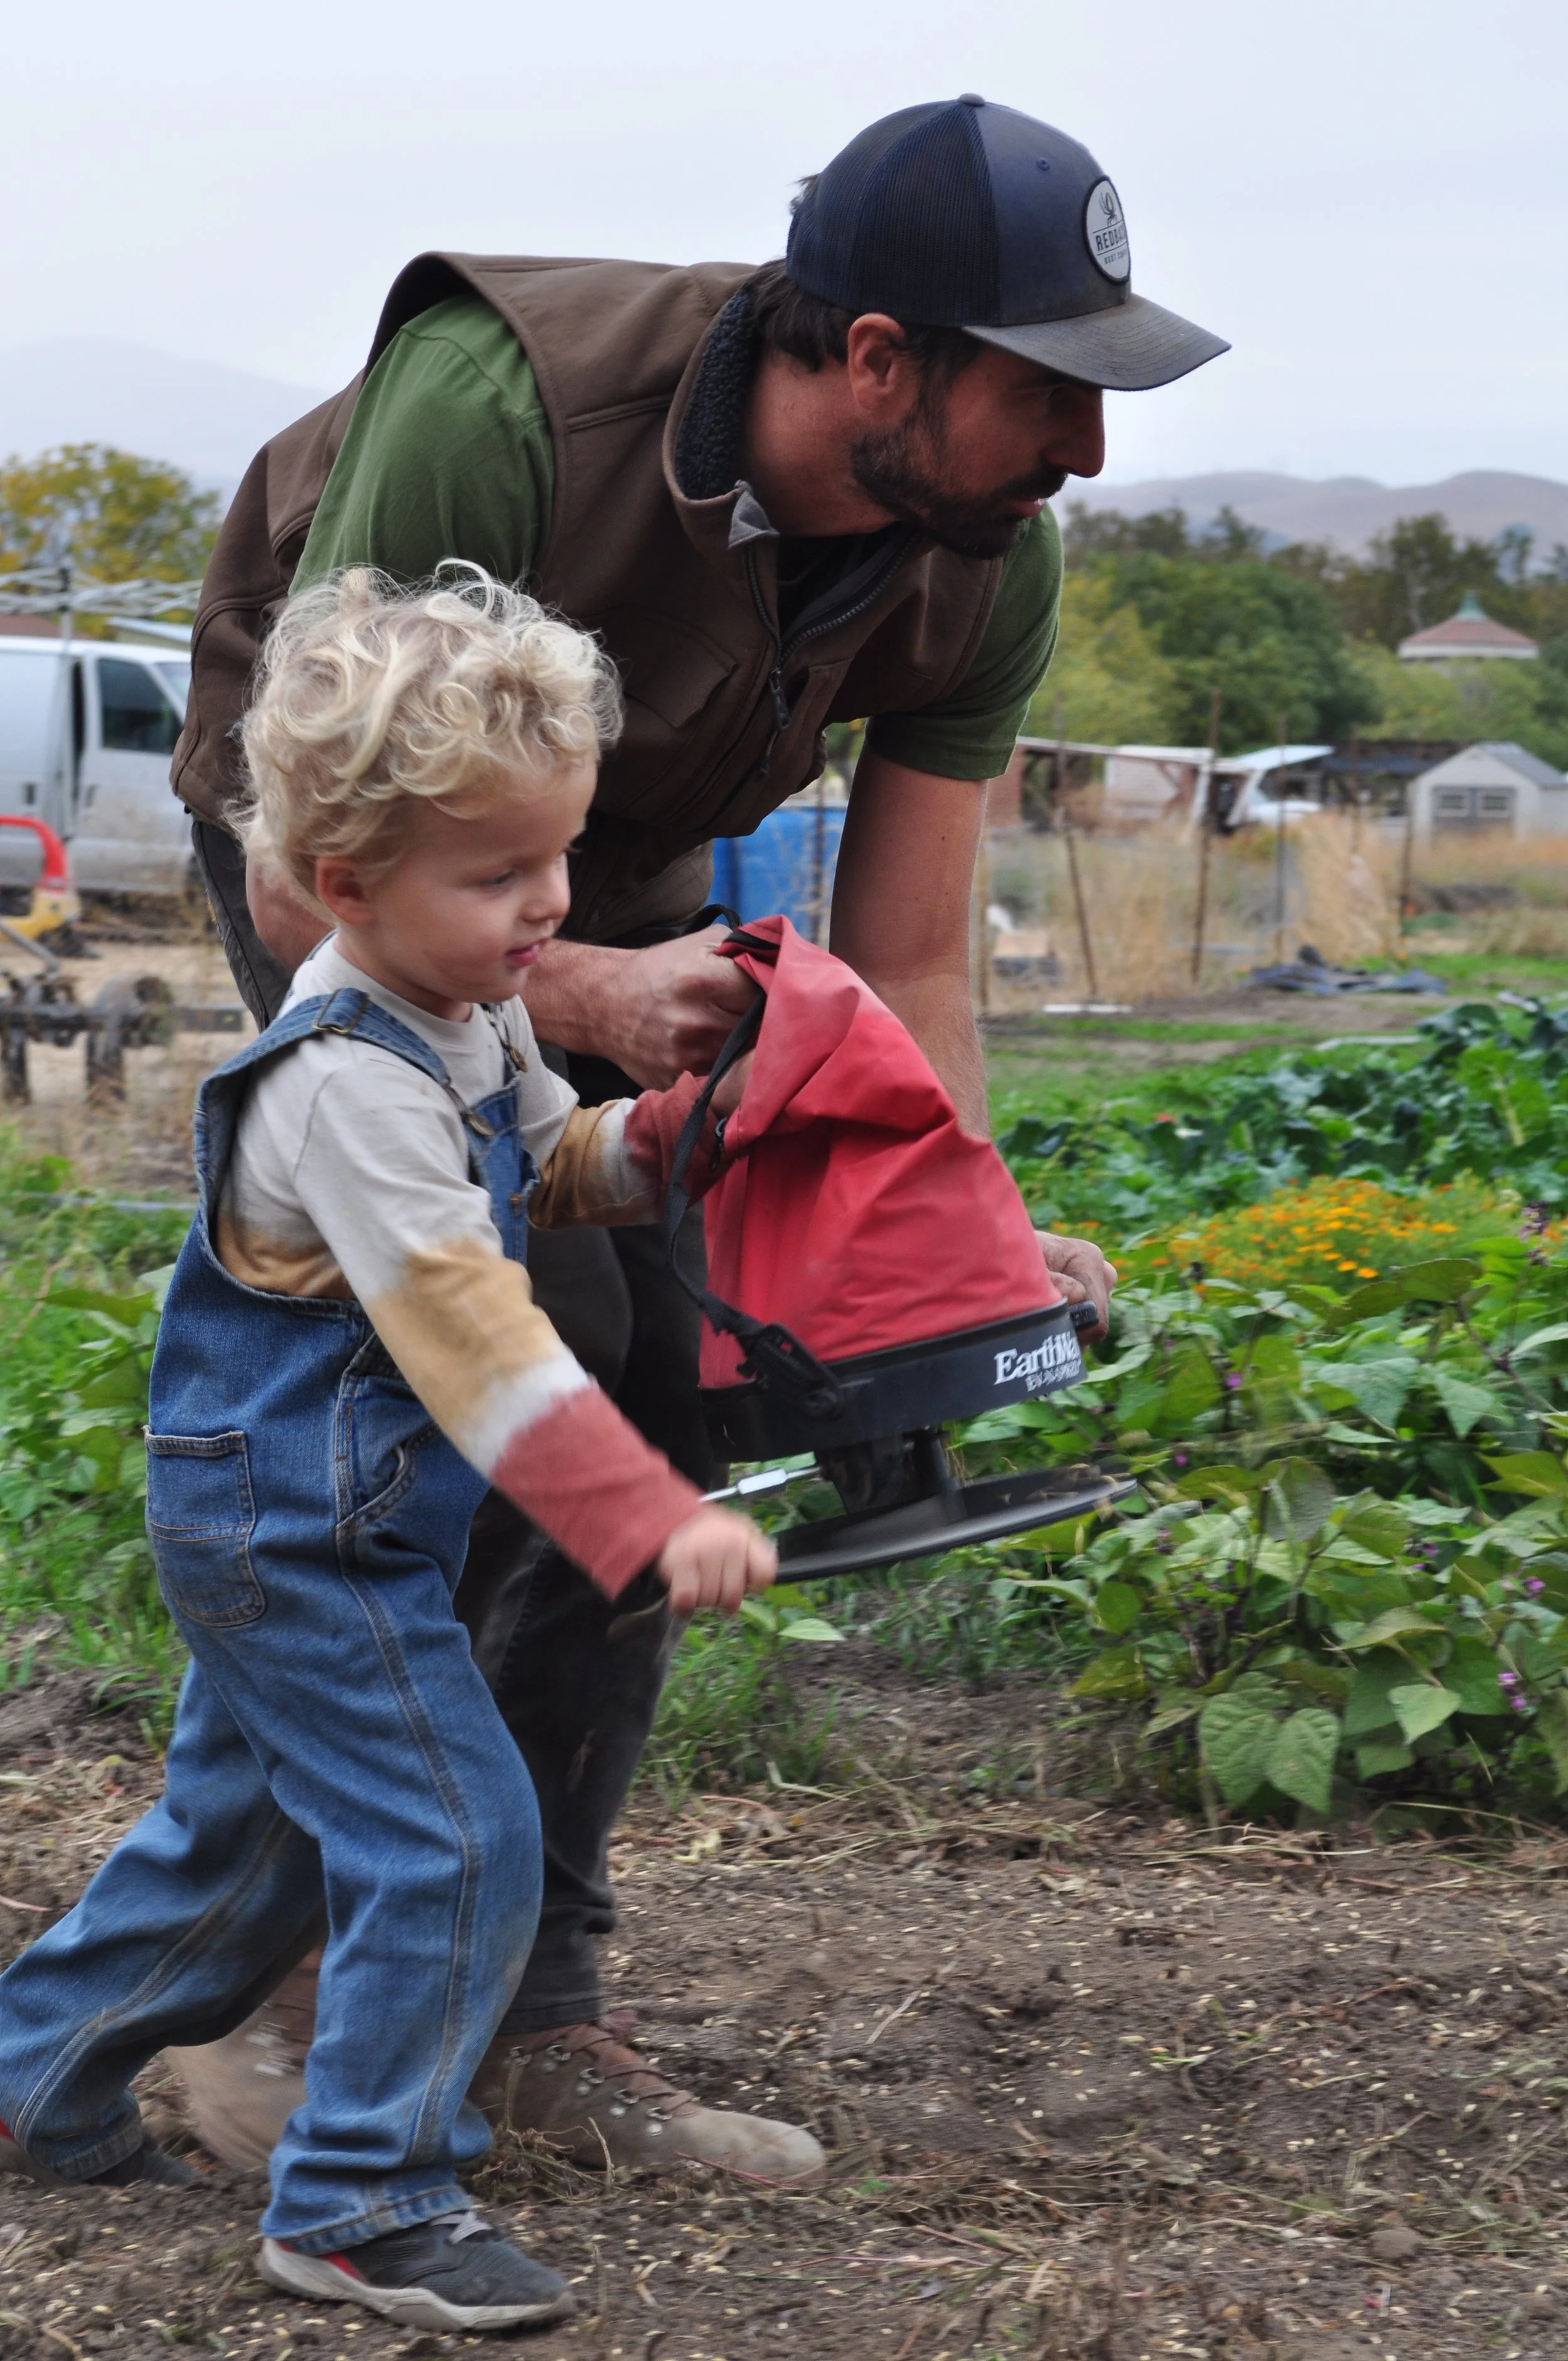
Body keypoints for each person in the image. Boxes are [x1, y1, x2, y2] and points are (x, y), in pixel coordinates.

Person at [168, 96, 1227, 2180]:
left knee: (670, 1378)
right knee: (482, 1373)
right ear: (878, 358)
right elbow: (312, 880)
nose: (1090, 449)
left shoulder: (984, 551)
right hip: (354, 848)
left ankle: (533, 2016)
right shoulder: (497, 411)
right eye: (1050, 389)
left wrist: (958, 1249)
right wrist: (570, 1001)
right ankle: (277, 2005)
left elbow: (906, 958)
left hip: (596, 866)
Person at [0, 568, 776, 2337]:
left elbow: (543, 1166)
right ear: (344, 883)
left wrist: (667, 1138)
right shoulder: (346, 1082)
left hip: (320, 1517)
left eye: (559, 855)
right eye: (500, 873)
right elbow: (471, 1328)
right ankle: (365, 2196)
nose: (551, 903)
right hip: (298, 1535)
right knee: (457, 1836)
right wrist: (639, 1511)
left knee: (245, 1844)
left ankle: (33, 2071)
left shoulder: (467, 1013)